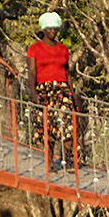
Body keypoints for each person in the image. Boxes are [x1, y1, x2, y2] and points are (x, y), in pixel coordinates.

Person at [27, 11, 79, 168]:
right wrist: (33, 92)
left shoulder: (63, 49)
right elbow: (31, 72)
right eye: (49, 28)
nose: (53, 31)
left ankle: (66, 159)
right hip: (45, 90)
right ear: (43, 29)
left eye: (55, 28)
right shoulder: (34, 49)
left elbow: (67, 72)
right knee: (47, 127)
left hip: (62, 90)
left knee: (68, 126)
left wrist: (72, 93)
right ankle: (49, 161)